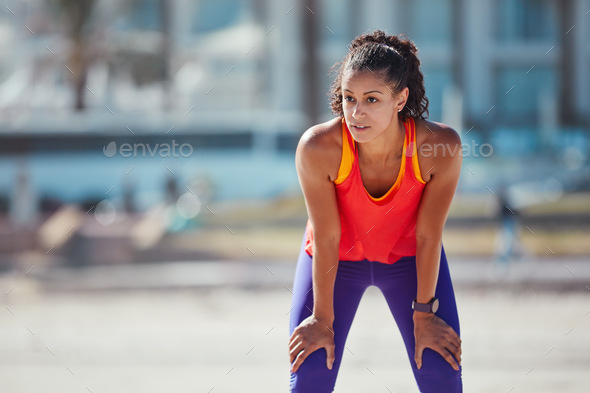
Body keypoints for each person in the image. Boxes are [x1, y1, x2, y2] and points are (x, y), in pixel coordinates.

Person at [288, 30, 463, 392]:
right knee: (310, 376)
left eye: (371, 99)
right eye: (349, 98)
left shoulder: (438, 147)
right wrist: (321, 318)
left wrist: (424, 314)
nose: (356, 112)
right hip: (334, 260)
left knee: (441, 375)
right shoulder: (319, 148)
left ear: (400, 99)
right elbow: (326, 235)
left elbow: (429, 235)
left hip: (410, 262)